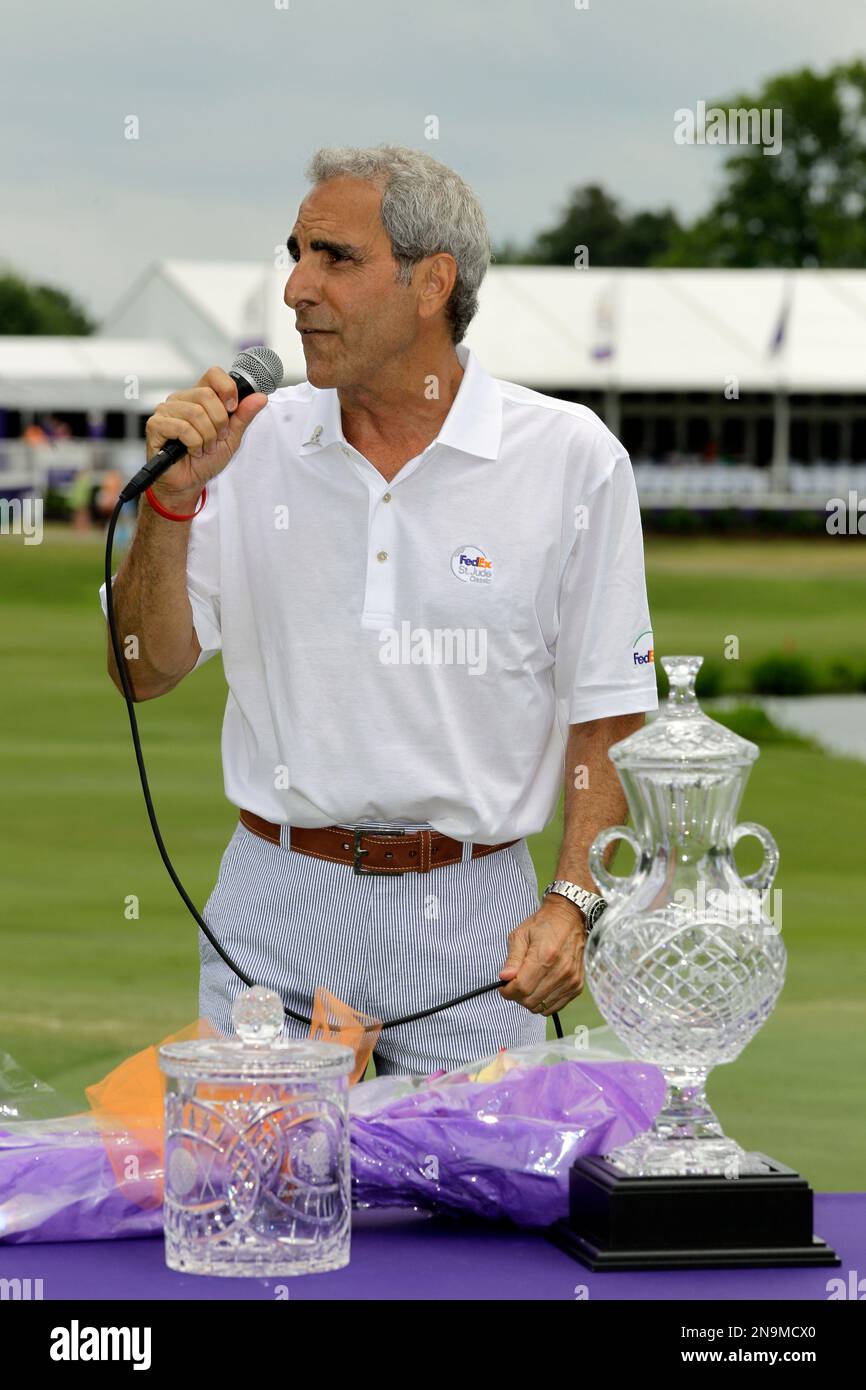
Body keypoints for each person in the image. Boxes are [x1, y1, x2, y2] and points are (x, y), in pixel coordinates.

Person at [100, 144, 658, 1077]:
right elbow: (139, 668)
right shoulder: (247, 443)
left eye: (334, 257)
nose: (295, 289)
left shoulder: (570, 458)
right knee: (256, 1211)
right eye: (296, 253)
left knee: (477, 1218)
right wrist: (170, 505)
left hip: (480, 921)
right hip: (276, 906)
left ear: (432, 281)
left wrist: (573, 902)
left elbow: (606, 717)